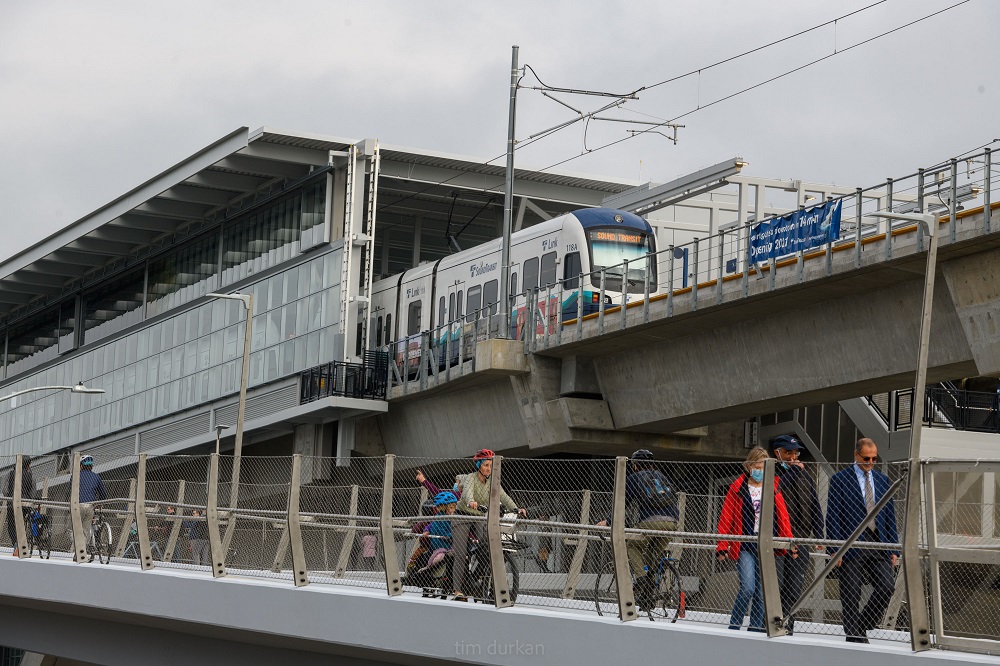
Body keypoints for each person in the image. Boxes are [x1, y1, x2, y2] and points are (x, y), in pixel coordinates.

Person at [826, 437, 899, 644]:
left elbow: (889, 516)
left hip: (879, 542)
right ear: (856, 455)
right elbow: (833, 515)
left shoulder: (883, 480)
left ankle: (862, 623)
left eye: (874, 458)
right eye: (866, 458)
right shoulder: (840, 479)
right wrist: (835, 548)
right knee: (850, 592)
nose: (870, 462)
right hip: (851, 543)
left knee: (887, 587)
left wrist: (894, 548)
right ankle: (854, 636)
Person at [716, 446, 794, 632]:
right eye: (757, 467)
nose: (760, 471)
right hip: (746, 544)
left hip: (766, 545)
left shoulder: (773, 487)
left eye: (763, 467)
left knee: (762, 593)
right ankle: (734, 625)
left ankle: (755, 629)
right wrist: (722, 545)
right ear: (749, 466)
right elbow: (726, 518)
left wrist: (790, 542)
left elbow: (783, 516)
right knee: (748, 588)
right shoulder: (737, 488)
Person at [596, 449, 680, 608]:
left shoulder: (633, 478)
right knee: (652, 555)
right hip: (672, 522)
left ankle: (641, 579)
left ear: (635, 465)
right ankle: (648, 595)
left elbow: (622, 504)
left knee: (633, 545)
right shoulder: (662, 477)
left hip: (651, 522)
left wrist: (608, 521)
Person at [452, 449, 525, 601]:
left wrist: (516, 508)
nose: (488, 469)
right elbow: (467, 494)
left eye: (490, 466)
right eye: (485, 465)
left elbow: (503, 496)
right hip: (463, 516)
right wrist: (471, 501)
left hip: (479, 517)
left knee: (486, 548)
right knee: (461, 554)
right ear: (479, 465)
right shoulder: (471, 478)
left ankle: (481, 581)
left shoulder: (492, 481)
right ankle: (458, 591)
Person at [771, 435, 824, 634]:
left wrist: (818, 535)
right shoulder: (772, 473)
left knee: (794, 588)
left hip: (801, 538)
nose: (793, 457)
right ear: (778, 453)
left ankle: (788, 627)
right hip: (779, 539)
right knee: (778, 585)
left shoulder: (805, 475)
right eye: (788, 453)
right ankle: (771, 625)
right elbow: (777, 489)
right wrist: (793, 471)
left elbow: (815, 506)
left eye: (795, 453)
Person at [420, 491, 459, 574]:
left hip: (449, 545)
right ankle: (425, 570)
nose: (453, 510)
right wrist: (426, 530)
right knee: (432, 558)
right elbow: (431, 525)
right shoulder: (439, 517)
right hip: (437, 545)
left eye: (454, 508)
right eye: (451, 508)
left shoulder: (454, 518)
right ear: (444, 508)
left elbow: (457, 528)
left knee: (444, 557)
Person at [77, 455, 107, 556]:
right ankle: (81, 552)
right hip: (90, 506)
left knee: (73, 528)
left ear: (81, 466)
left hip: (78, 505)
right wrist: (99, 504)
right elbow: (103, 494)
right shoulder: (96, 477)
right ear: (92, 466)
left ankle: (77, 550)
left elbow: (70, 491)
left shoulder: (75, 476)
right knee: (85, 530)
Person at [5, 456, 35, 556]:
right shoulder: (31, 476)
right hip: (25, 504)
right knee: (22, 525)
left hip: (12, 503)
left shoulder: (10, 474)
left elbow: (4, 490)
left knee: (12, 526)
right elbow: (33, 492)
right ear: (28, 464)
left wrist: (10, 496)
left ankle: (16, 546)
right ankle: (21, 545)